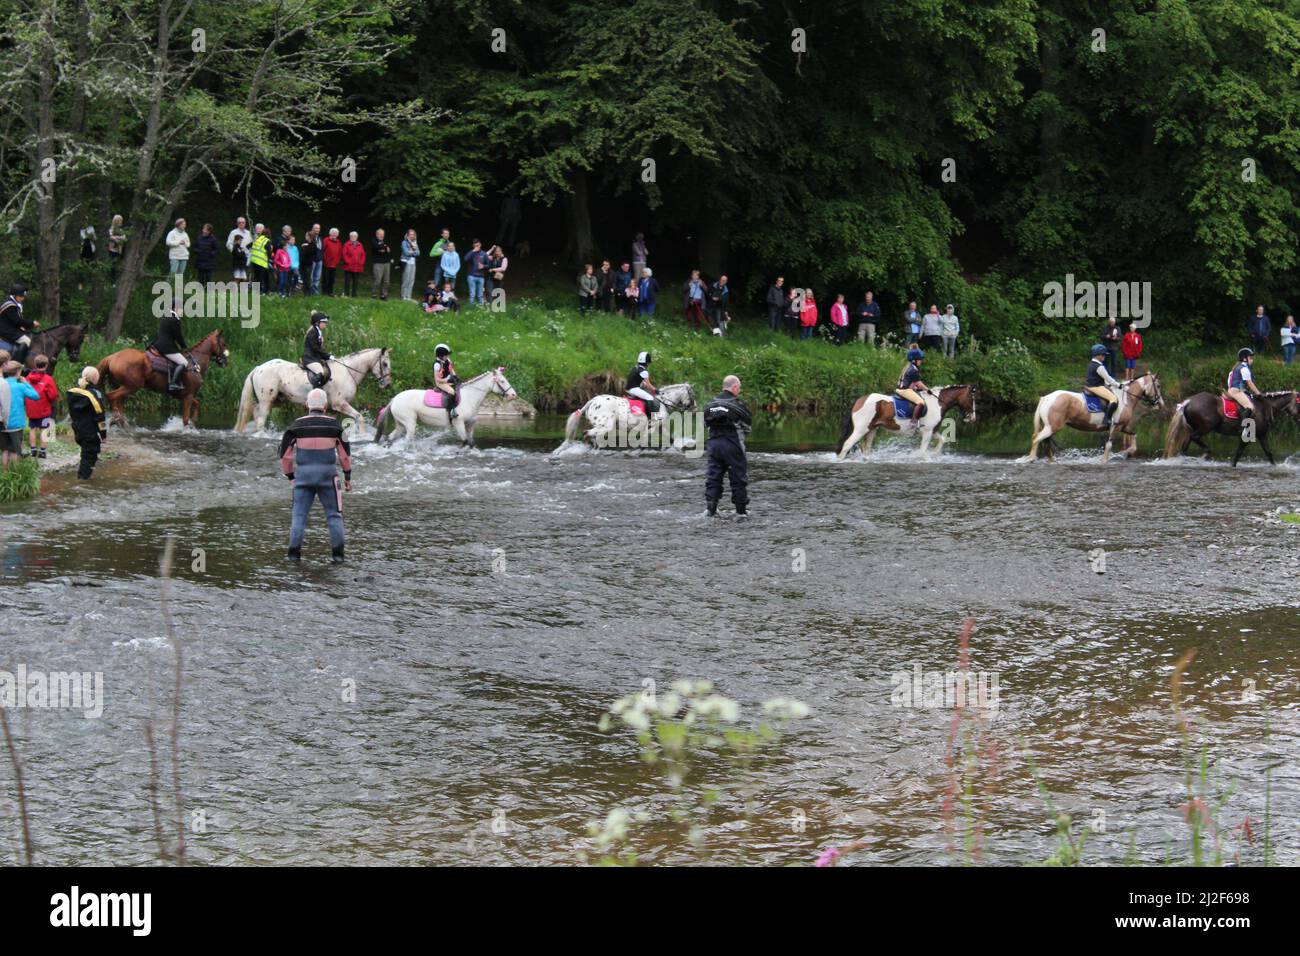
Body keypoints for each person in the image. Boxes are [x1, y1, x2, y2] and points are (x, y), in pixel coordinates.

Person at [279, 388, 352, 563]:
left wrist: (291, 477)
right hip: (328, 477)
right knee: (334, 516)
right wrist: (347, 477)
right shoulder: (337, 427)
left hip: (303, 477)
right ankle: (338, 557)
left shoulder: (294, 427)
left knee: (298, 517)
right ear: (325, 406)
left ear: (306, 405)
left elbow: (285, 456)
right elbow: (345, 456)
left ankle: (293, 557)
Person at [703, 375, 752, 517]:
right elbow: (747, 427)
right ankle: (741, 513)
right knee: (738, 479)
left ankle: (711, 510)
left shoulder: (709, 405)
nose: (739, 391)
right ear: (735, 387)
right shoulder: (739, 405)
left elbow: (704, 425)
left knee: (713, 478)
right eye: (739, 389)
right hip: (733, 446)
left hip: (713, 447)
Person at [66, 366, 108, 480]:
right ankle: (82, 481)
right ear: (95, 379)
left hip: (78, 430)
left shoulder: (72, 392)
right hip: (90, 433)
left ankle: (83, 477)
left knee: (86, 455)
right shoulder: (95, 394)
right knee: (89, 456)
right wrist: (103, 435)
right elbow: (100, 417)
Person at [2, 361, 38, 469]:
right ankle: (14, 474)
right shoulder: (21, 386)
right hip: (16, 424)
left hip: (2, 422)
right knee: (14, 450)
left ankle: (4, 473)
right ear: (18, 372)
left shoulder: (1, 383)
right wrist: (26, 383)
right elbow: (35, 396)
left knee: (4, 449)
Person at [22, 354, 58, 459]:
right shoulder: (48, 379)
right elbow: (53, 395)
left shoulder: (27, 377)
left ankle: (33, 451)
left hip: (31, 408)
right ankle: (42, 452)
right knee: (44, 429)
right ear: (46, 365)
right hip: (43, 408)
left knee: (32, 428)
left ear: (35, 364)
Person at [152, 302, 188, 394]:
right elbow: (178, 336)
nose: (182, 311)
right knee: (184, 362)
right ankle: (173, 383)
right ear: (175, 308)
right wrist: (184, 346)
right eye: (181, 308)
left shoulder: (166, 317)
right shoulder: (174, 319)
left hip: (158, 345)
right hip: (166, 347)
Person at [1084, 343, 1122, 428]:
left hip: (1089, 385)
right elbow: (1108, 379)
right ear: (1099, 355)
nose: (1104, 357)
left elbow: (1102, 378)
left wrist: (1108, 384)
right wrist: (1119, 385)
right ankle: (1106, 420)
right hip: (1096, 387)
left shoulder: (1091, 363)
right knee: (1114, 399)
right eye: (1103, 355)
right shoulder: (1099, 366)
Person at [1226, 347, 1262, 432]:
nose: (1252, 360)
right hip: (1236, 391)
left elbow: (1229, 381)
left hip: (1234, 390)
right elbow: (1250, 384)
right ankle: (1243, 428)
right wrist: (1258, 393)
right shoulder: (1244, 368)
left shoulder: (1236, 367)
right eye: (1250, 358)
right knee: (1250, 407)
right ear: (1244, 358)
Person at [0, 284, 37, 364]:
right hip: (7, 331)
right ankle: (18, 363)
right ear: (15, 295)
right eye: (21, 296)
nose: (23, 298)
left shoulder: (12, 303)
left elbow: (16, 321)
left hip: (11, 329)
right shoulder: (9, 305)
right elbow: (17, 321)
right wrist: (32, 323)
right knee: (27, 341)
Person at [895, 347, 931, 425]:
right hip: (904, 390)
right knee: (920, 402)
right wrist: (927, 390)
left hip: (901, 388)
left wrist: (914, 388)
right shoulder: (913, 369)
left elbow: (908, 381)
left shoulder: (908, 366)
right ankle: (913, 422)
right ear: (914, 360)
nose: (921, 361)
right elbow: (919, 383)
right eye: (919, 359)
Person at [625, 350, 660, 420]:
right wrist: (655, 390)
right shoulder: (644, 372)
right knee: (650, 398)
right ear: (647, 363)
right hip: (634, 389)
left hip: (628, 388)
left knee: (646, 395)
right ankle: (654, 419)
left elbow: (642, 382)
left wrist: (649, 387)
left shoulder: (635, 368)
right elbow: (648, 384)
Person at [302, 310, 333, 388]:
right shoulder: (312, 333)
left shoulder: (318, 331)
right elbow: (315, 348)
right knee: (320, 372)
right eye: (324, 322)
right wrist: (327, 356)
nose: (325, 324)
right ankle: (314, 392)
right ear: (317, 323)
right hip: (309, 358)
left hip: (315, 357)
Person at [433, 343, 459, 419]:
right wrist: (447, 380)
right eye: (446, 355)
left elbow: (450, 369)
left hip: (448, 379)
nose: (447, 356)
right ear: (440, 355)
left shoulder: (447, 360)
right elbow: (437, 379)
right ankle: (451, 410)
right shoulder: (437, 365)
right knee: (452, 391)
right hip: (440, 382)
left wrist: (455, 376)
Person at [249, 223, 272, 295]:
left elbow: (249, 246)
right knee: (262, 277)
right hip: (261, 261)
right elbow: (269, 252)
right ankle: (263, 291)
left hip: (254, 260)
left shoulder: (257, 239)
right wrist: (270, 257)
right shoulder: (266, 240)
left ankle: (256, 292)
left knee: (256, 276)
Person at [464, 239, 488, 307]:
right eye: (475, 245)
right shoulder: (471, 252)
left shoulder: (484, 253)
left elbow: (488, 265)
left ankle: (481, 308)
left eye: (478, 245)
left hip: (481, 277)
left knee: (480, 294)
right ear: (473, 246)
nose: (477, 246)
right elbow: (465, 259)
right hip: (471, 276)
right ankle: (470, 309)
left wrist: (483, 266)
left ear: (480, 245)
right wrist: (473, 251)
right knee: (472, 294)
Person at [341, 231, 366, 297]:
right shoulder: (346, 244)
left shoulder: (360, 244)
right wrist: (348, 261)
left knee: (356, 282)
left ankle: (354, 294)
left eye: (355, 236)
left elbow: (363, 254)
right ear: (350, 237)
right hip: (348, 266)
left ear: (357, 237)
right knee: (347, 281)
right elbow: (344, 254)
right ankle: (346, 294)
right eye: (352, 236)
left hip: (357, 267)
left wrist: (361, 262)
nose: (353, 237)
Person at [371, 228, 393, 300]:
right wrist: (385, 248)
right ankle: (374, 294)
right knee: (377, 280)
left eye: (383, 234)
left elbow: (389, 250)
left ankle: (384, 295)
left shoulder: (385, 241)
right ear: (377, 234)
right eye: (380, 234)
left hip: (387, 263)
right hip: (378, 263)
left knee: (386, 280)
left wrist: (384, 249)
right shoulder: (374, 240)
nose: (382, 235)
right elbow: (377, 247)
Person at [299, 226, 320, 296]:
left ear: (310, 237)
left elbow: (311, 253)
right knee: (304, 279)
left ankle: (308, 293)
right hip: (302, 264)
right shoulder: (304, 243)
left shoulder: (313, 245)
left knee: (308, 279)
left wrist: (305, 247)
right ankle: (305, 292)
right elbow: (301, 253)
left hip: (308, 264)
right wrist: (303, 247)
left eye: (307, 235)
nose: (305, 236)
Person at [399, 229, 419, 301]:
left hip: (413, 263)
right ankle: (403, 296)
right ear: (407, 235)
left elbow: (418, 253)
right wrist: (413, 251)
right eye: (410, 234)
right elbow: (406, 253)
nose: (412, 236)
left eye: (413, 234)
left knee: (411, 280)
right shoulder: (404, 242)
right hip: (406, 262)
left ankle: (409, 296)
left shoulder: (415, 243)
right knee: (406, 279)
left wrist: (412, 251)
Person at [321, 227, 342, 296]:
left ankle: (330, 292)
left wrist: (337, 261)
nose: (334, 235)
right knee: (325, 278)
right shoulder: (326, 240)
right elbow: (322, 251)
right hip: (326, 263)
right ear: (330, 233)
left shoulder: (339, 242)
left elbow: (339, 253)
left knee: (332, 279)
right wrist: (325, 259)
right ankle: (324, 292)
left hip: (334, 264)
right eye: (333, 233)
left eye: (336, 234)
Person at [107, 215, 127, 283]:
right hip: (112, 249)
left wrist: (116, 238)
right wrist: (118, 238)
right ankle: (112, 281)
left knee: (118, 265)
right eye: (120, 221)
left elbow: (124, 238)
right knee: (112, 266)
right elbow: (110, 237)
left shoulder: (121, 230)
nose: (121, 222)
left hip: (119, 250)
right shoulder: (111, 229)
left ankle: (116, 280)